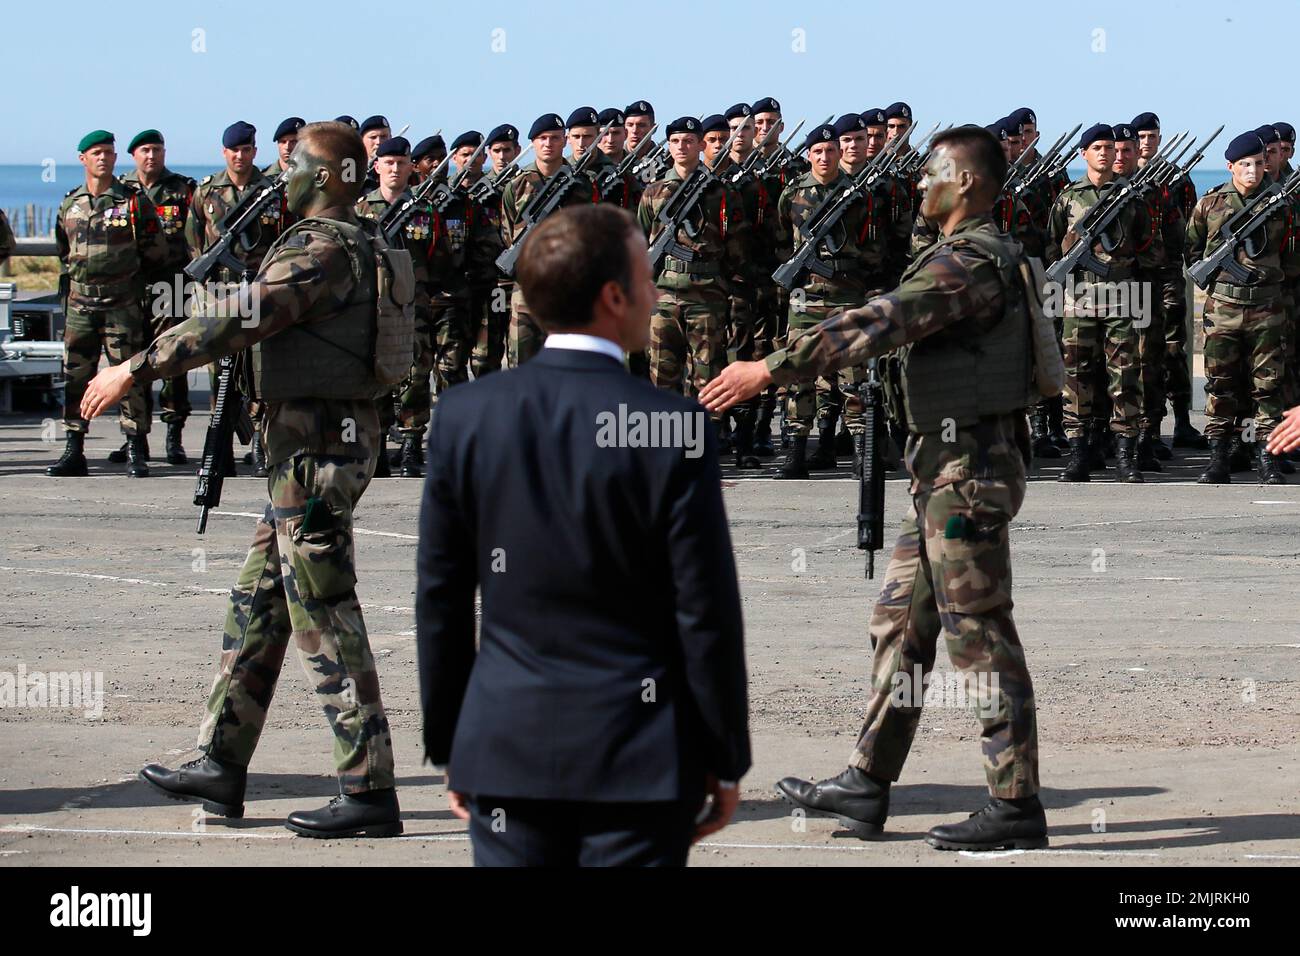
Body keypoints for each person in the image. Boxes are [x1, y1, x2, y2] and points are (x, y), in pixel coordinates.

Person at [700, 125, 1047, 852]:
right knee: (900, 625)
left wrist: (773, 367)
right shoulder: (956, 255)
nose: (920, 186)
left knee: (978, 633)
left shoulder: (969, 262)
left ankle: (1014, 804)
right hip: (941, 473)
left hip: (968, 476)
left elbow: (879, 322)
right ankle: (867, 780)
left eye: (933, 174)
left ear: (971, 184)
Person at [81, 121, 407, 838]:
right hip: (310, 448)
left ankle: (368, 790)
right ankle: (221, 762)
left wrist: (133, 367)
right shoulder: (356, 240)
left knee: (325, 613)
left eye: (292, 165)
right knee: (259, 605)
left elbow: (238, 319)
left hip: (317, 453)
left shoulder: (323, 247)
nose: (280, 174)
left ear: (322, 178)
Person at [417, 203, 751, 866]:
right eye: (648, 279)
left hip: (508, 748)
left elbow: (442, 599)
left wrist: (455, 743)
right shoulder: (672, 424)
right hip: (641, 756)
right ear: (612, 296)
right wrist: (725, 755)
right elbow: (704, 610)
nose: (656, 294)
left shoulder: (466, 414)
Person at [47, 130, 169, 478]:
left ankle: (135, 447)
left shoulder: (133, 201)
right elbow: (63, 251)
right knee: (75, 374)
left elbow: (155, 252)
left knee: (128, 373)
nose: (104, 158)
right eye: (97, 153)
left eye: (109, 153)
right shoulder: (71, 203)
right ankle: (74, 447)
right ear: (83, 158)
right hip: (80, 305)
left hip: (122, 304)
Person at [1188, 131, 1300, 484]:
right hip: (1222, 308)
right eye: (1244, 165)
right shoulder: (1210, 203)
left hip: (1267, 307)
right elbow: (1192, 249)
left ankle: (1267, 457)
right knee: (1221, 384)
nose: (1252, 170)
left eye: (1257, 163)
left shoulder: (1281, 203)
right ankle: (1218, 457)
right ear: (1230, 167)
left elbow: (1292, 256)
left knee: (1268, 386)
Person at [121, 129, 197, 466]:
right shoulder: (121, 191)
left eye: (157, 150)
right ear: (134, 155)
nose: (152, 156)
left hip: (173, 284)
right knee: (132, 360)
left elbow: (198, 235)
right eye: (145, 150)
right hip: (131, 289)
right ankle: (135, 437)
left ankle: (173, 434)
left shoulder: (182, 189)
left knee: (172, 360)